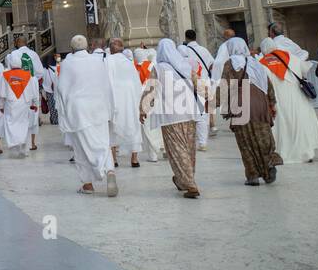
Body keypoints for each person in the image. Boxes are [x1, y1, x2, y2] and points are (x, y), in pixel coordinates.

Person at [55, 35, 117, 196]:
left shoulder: (68, 63)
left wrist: (63, 111)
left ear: (72, 48)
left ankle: (88, 184)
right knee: (103, 142)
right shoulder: (97, 61)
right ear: (87, 47)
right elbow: (107, 85)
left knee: (81, 147)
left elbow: (61, 88)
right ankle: (109, 171)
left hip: (79, 110)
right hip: (99, 107)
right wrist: (110, 108)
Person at [144, 40, 206, 199]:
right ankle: (183, 179)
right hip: (189, 113)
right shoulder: (185, 66)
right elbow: (200, 85)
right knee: (189, 148)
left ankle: (190, 184)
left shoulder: (158, 68)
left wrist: (142, 109)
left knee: (177, 149)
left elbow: (150, 91)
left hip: (171, 116)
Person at [218, 38, 281, 186]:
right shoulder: (254, 62)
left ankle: (253, 176)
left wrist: (214, 102)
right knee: (264, 136)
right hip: (260, 103)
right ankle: (269, 164)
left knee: (245, 141)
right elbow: (267, 84)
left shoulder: (230, 64)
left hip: (240, 105)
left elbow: (224, 86)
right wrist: (272, 103)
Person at [259, 38, 318, 164]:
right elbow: (305, 69)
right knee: (301, 123)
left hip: (280, 99)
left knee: (285, 125)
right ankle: (307, 152)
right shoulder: (290, 56)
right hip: (298, 97)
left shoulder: (263, 63)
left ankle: (285, 152)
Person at [106, 40, 143, 169]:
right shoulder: (128, 62)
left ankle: (114, 159)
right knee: (133, 124)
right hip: (130, 97)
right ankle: (134, 159)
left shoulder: (108, 61)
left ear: (110, 50)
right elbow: (136, 82)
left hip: (115, 96)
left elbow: (107, 80)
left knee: (113, 127)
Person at [0, 64, 39, 156]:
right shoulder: (28, 74)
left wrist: (1, 106)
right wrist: (34, 104)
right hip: (24, 104)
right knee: (24, 125)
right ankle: (23, 147)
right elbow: (33, 92)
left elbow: (2, 94)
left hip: (10, 104)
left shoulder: (5, 75)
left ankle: (14, 146)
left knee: (11, 125)